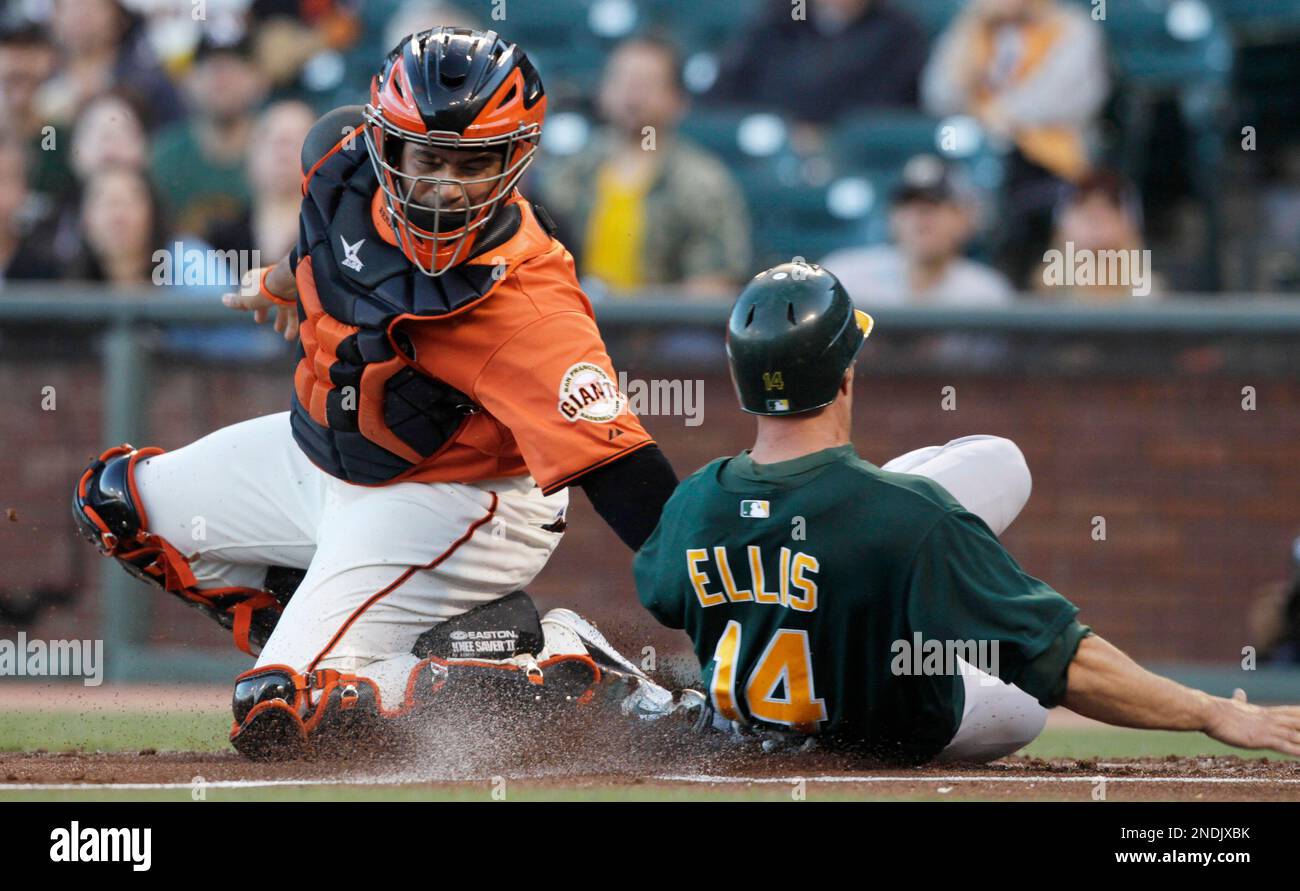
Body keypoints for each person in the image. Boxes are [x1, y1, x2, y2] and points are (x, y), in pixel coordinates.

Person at [72, 28, 682, 761]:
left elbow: (625, 476)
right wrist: (281, 278)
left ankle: (555, 662)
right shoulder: (336, 160)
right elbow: (329, 245)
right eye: (427, 158)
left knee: (281, 713)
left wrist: (709, 597)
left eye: (472, 163)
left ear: (515, 159)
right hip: (324, 459)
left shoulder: (529, 301)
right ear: (381, 141)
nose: (444, 187)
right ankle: (384, 641)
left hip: (458, 499)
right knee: (116, 502)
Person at [633, 262, 1300, 763]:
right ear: (845, 375)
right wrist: (1212, 711)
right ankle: (894, 600)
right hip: (885, 733)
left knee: (933, 510)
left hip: (754, 720)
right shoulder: (906, 517)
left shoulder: (693, 501)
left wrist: (771, 561)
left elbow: (660, 588)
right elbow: (1066, 663)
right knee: (1026, 703)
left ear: (739, 376)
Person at [538, 35, 750, 297]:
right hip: (574, 317)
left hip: (665, 328)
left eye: (647, 84)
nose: (632, 94)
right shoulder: (568, 171)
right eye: (622, 80)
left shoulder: (703, 182)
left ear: (677, 100)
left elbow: (714, 284)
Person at [922, 0, 1109, 287]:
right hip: (971, 153)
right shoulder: (971, 27)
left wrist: (995, 116)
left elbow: (1064, 102)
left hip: (1046, 164)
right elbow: (938, 97)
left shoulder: (1072, 26)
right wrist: (968, 34)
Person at [820, 155, 1012, 307]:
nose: (920, 216)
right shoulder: (845, 276)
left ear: (963, 220)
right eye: (908, 205)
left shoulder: (987, 294)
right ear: (892, 218)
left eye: (934, 205)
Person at [707, 0, 926, 124]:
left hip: (851, 157)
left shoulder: (898, 30)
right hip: (774, 148)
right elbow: (729, 92)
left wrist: (826, 133)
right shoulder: (782, 18)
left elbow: (891, 106)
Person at [151, 35, 266, 239]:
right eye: (209, 67)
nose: (221, 78)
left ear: (257, 79)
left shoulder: (277, 148)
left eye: (233, 67)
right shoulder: (164, 155)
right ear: (188, 81)